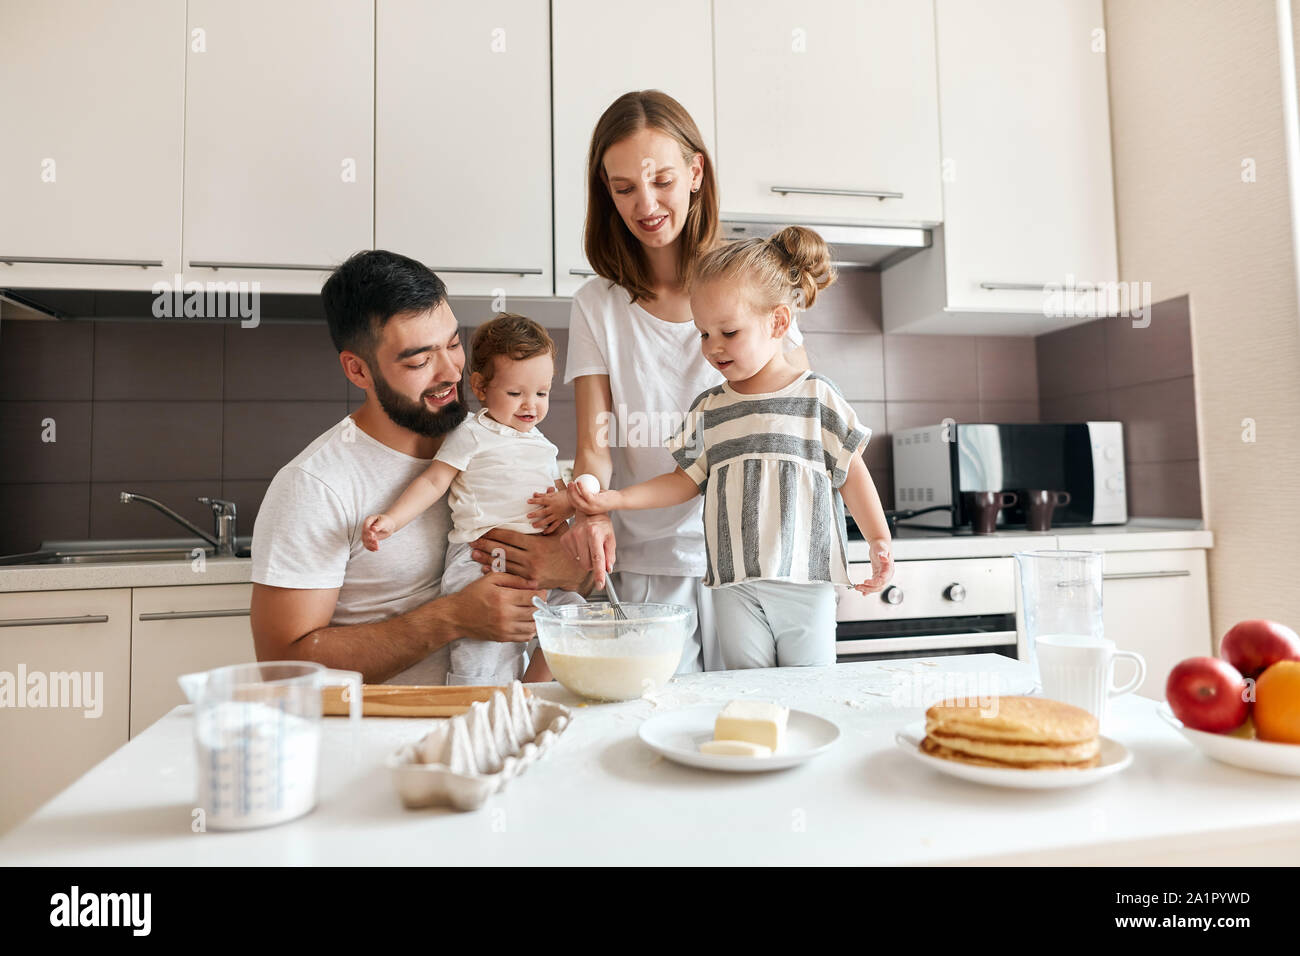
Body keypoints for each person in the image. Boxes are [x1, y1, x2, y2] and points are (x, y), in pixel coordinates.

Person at [475, 89, 808, 674]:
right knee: (654, 724)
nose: (645, 204)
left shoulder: (752, 283)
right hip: (650, 563)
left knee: (758, 721)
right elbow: (595, 446)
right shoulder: (597, 305)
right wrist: (593, 508)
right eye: (623, 187)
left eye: (661, 181)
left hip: (754, 556)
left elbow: (790, 413)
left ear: (696, 172)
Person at [249, 251, 590, 685]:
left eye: (452, 344)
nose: (451, 372)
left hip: (500, 727)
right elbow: (282, 666)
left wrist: (567, 568)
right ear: (358, 370)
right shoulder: (315, 486)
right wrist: (451, 618)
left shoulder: (495, 438)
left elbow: (574, 574)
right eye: (418, 361)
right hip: (385, 742)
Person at [569, 226, 895, 669]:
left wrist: (878, 538)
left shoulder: (816, 398)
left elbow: (851, 472)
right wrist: (615, 499)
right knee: (746, 692)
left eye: (728, 332)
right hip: (732, 585)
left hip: (806, 581)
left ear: (778, 322)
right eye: (703, 334)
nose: (713, 347)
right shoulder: (710, 408)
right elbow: (683, 481)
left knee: (810, 693)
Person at [360, 313, 585, 684]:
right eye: (515, 393)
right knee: (482, 657)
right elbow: (433, 482)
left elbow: (553, 497)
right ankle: (472, 708)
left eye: (541, 393)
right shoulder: (472, 432)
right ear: (480, 387)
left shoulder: (541, 445)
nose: (531, 405)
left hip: (534, 563)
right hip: (480, 562)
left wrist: (567, 503)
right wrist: (391, 520)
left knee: (575, 619)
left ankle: (529, 693)